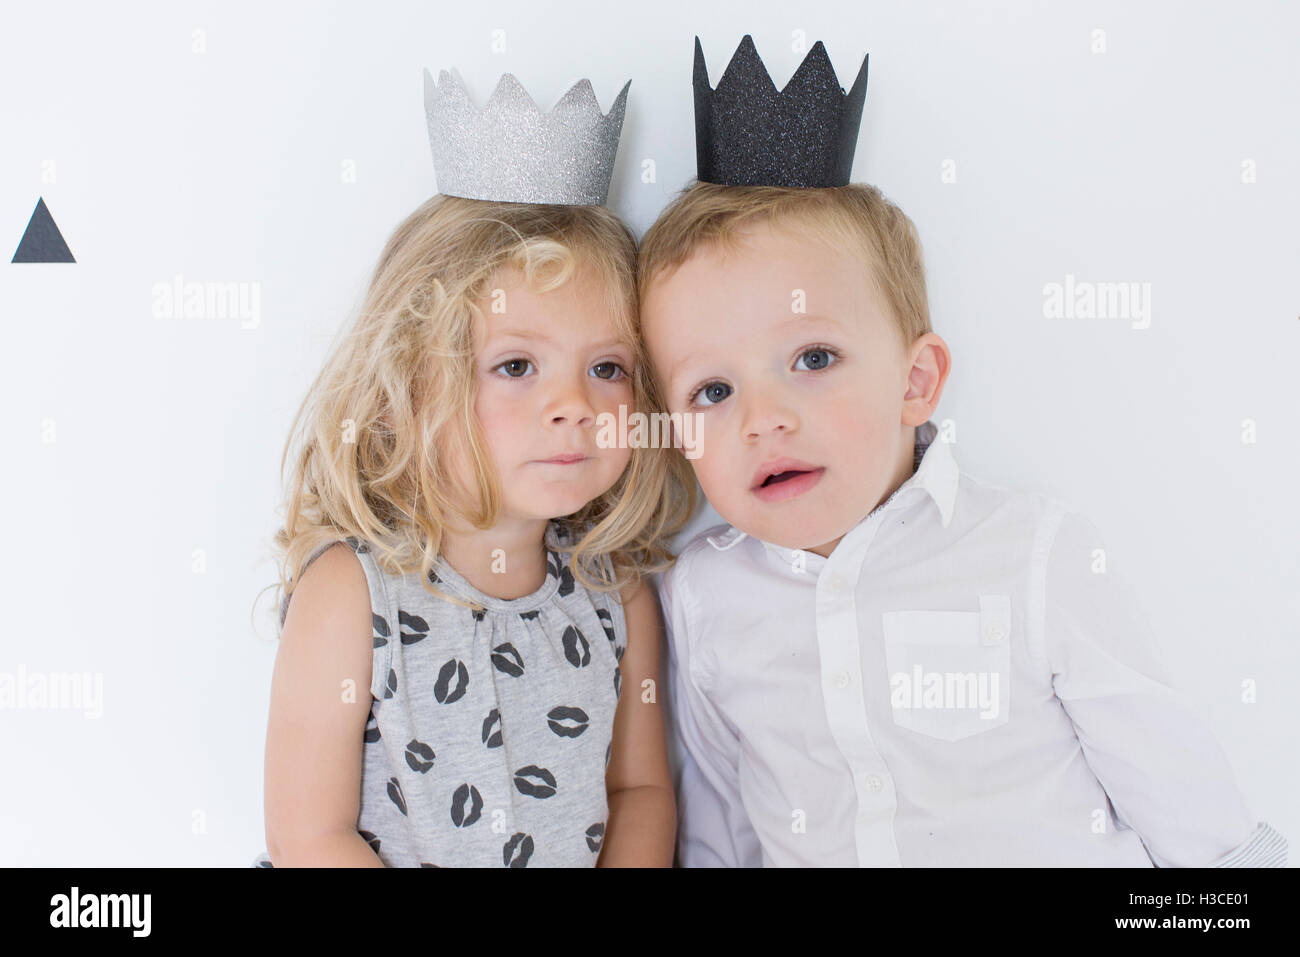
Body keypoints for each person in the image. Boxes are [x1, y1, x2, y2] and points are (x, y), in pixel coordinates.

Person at [637, 35, 1287, 867]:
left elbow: (1180, 794)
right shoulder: (706, 595)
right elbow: (723, 819)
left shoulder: (1029, 553)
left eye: (813, 359)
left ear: (916, 380)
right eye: (713, 392)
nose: (763, 419)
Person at [253, 66, 694, 867]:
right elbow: (307, 835)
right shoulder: (351, 592)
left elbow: (641, 792)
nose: (575, 405)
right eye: (518, 366)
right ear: (415, 382)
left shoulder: (614, 592)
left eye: (607, 369)